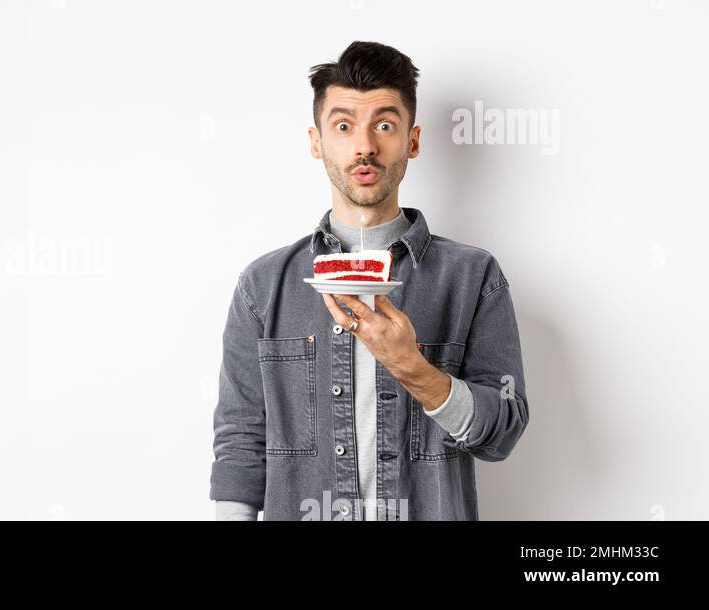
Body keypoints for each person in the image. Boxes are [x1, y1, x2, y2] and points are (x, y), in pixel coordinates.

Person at [209, 41, 529, 521]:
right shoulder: (264, 284)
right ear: (317, 142)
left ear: (412, 141)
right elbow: (241, 441)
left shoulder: (472, 277)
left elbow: (502, 432)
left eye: (384, 125)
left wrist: (412, 367)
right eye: (343, 126)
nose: (364, 146)